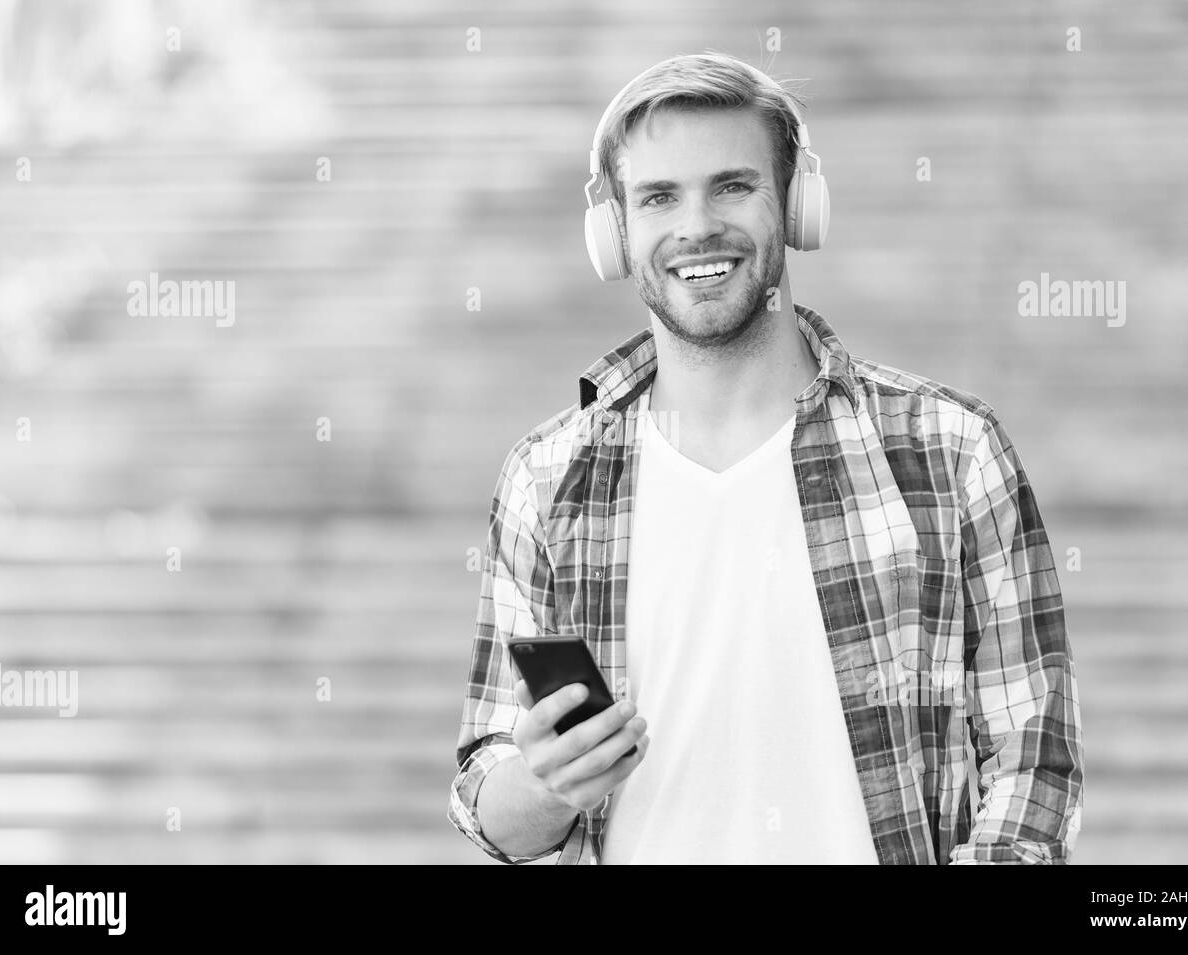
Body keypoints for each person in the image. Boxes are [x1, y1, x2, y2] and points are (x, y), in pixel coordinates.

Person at [447, 50, 1084, 864]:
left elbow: (1036, 766)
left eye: (733, 185)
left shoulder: (953, 451)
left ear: (796, 202)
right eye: (659, 197)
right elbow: (488, 798)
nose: (696, 226)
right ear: (614, 233)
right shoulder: (546, 479)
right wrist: (545, 786)